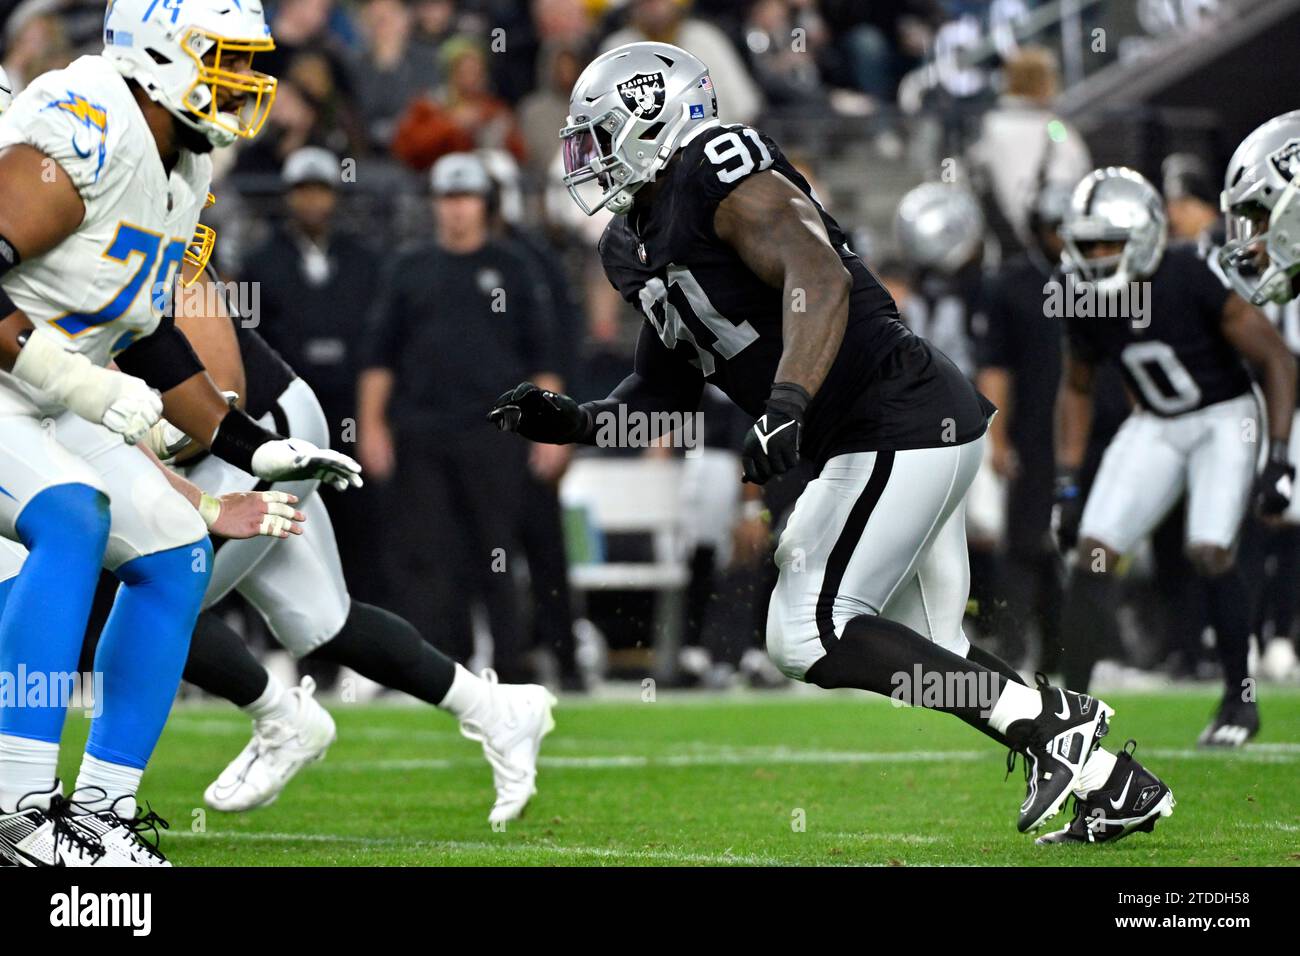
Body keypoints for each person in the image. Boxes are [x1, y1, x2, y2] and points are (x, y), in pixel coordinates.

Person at [490, 41, 1175, 845]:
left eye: (601, 135)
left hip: (896, 416)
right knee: (931, 654)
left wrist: (786, 402)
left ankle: (1052, 723)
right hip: (885, 434)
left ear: (654, 120)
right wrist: (577, 421)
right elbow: (666, 387)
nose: (589, 158)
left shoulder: (717, 165)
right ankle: (1111, 780)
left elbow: (817, 271)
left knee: (806, 629)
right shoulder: (629, 242)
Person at [0, 0, 361, 867]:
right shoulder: (81, 134)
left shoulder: (182, 160)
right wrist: (77, 381)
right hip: (25, 385)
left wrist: (251, 449)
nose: (243, 83)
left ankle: (100, 815)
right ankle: (17, 815)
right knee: (76, 516)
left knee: (173, 548)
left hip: (44, 394)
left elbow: (147, 328)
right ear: (157, 56)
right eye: (224, 60)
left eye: (248, 62)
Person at [1053, 168, 1297, 747]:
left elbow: (1278, 360)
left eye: (1108, 242)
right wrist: (1067, 481)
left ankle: (1240, 699)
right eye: (1086, 245)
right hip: (1157, 424)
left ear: (1143, 236)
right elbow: (1078, 386)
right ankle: (1069, 712)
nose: (1096, 257)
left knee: (1210, 549)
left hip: (1223, 416)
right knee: (1092, 554)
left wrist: (1279, 457)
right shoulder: (1085, 299)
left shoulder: (1188, 273)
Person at [359, 152, 561, 683]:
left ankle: (510, 664)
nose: (457, 210)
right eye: (448, 198)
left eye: (466, 198)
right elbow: (379, 356)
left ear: (484, 205)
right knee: (428, 553)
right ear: (435, 205)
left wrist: (554, 430)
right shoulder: (408, 268)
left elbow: (544, 357)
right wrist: (372, 426)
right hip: (423, 430)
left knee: (496, 548)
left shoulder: (514, 267)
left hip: (496, 432)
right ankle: (441, 667)